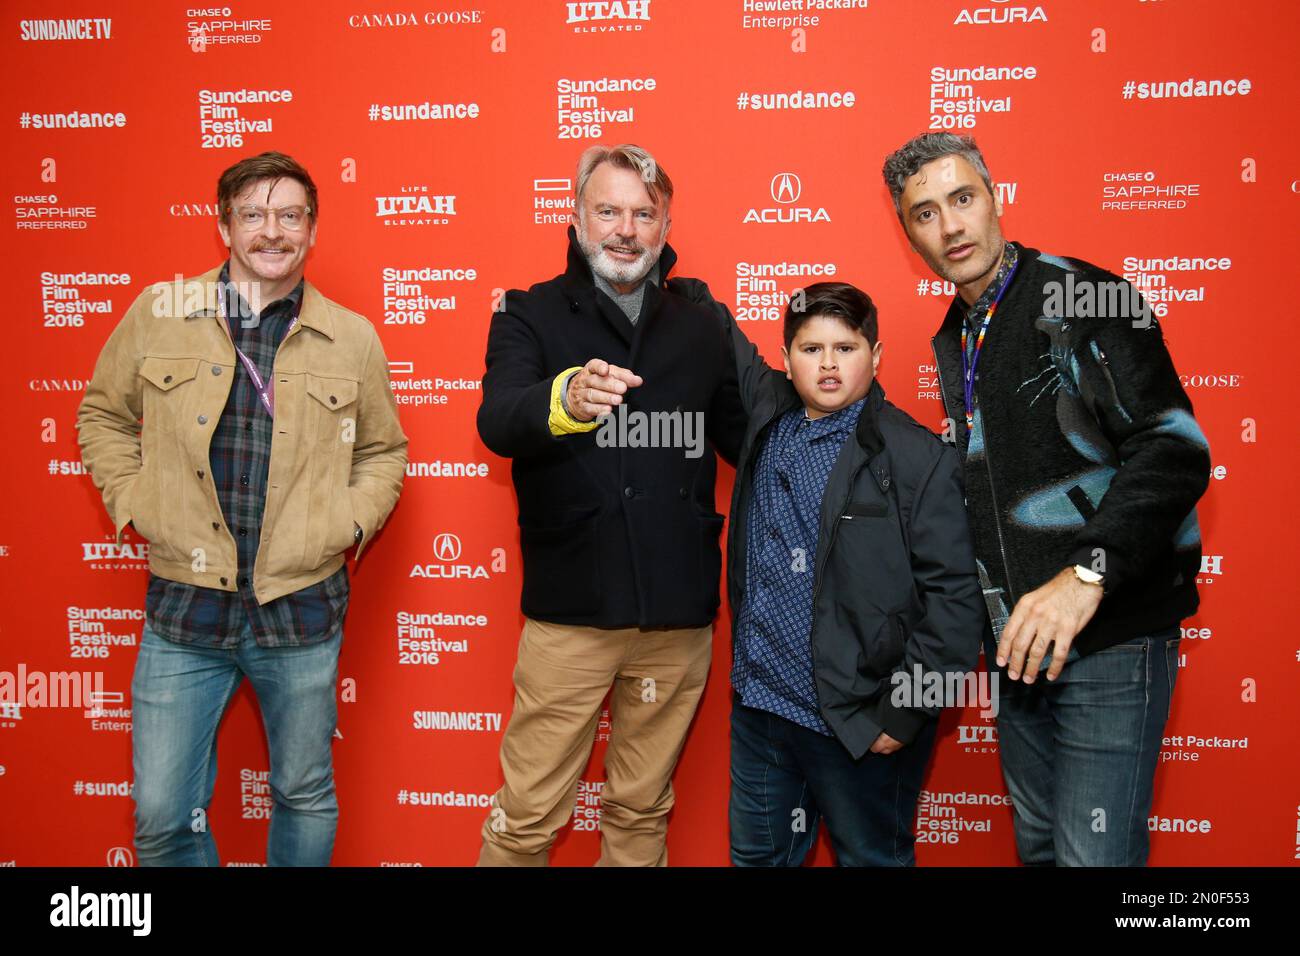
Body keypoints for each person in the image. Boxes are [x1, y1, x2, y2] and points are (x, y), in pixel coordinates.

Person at [881, 132, 1211, 865]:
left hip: (1110, 635)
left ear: (995, 198)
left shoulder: (1078, 295)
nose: (951, 226)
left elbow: (1173, 448)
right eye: (925, 213)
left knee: (1095, 860)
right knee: (1039, 853)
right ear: (909, 233)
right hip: (1021, 652)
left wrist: (1084, 575)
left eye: (962, 199)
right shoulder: (958, 333)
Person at [77, 151, 408, 866]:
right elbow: (102, 416)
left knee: (303, 792)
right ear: (223, 224)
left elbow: (383, 452)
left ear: (312, 230)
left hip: (300, 609)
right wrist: (136, 502)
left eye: (289, 215)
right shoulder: (159, 315)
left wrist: (346, 524)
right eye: (253, 214)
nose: (272, 231)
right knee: (163, 815)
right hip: (184, 611)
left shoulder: (351, 337)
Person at [475, 144, 745, 866]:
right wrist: (563, 398)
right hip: (573, 614)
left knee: (640, 811)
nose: (625, 228)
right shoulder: (527, 312)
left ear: (663, 225)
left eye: (642, 213)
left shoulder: (701, 322)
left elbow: (747, 434)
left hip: (677, 614)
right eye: (608, 210)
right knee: (527, 815)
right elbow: (498, 419)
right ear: (575, 217)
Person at [674, 279, 983, 866]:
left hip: (859, 720)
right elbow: (725, 338)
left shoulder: (918, 457)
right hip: (763, 711)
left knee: (871, 862)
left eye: (846, 348)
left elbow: (956, 601)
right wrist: (675, 276)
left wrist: (908, 710)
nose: (830, 365)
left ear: (877, 355)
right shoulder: (767, 415)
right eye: (811, 350)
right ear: (788, 360)